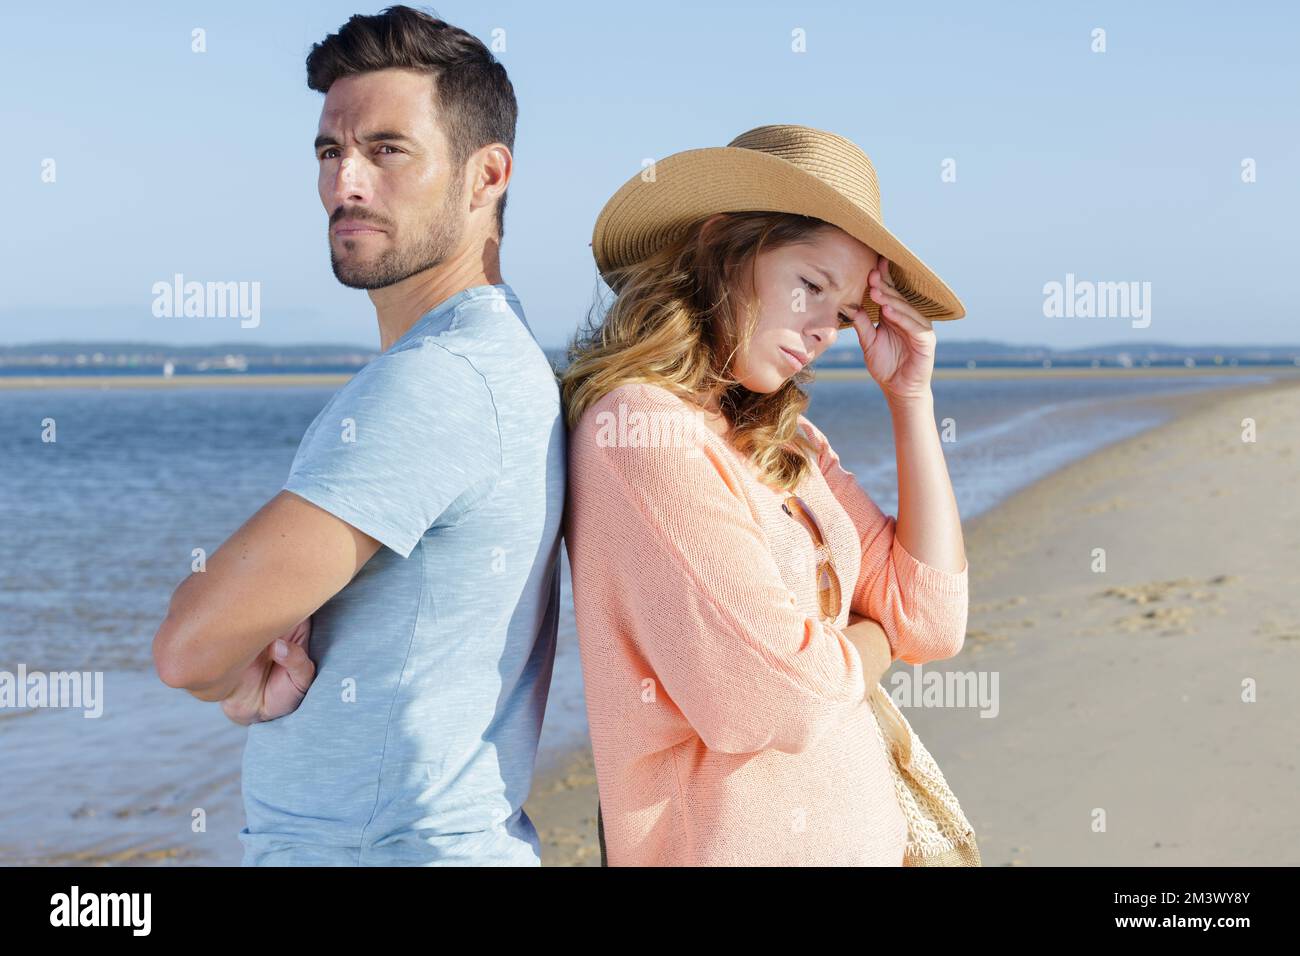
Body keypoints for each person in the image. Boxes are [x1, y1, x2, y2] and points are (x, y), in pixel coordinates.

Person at [152, 7, 566, 866]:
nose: (347, 183)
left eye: (387, 150)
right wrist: (241, 661)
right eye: (329, 151)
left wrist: (230, 669)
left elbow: (190, 646)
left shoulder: (441, 380)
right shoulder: (494, 356)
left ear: (488, 174)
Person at [561, 125, 970, 866]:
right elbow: (776, 697)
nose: (823, 332)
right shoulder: (638, 429)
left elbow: (933, 618)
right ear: (725, 245)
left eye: (845, 313)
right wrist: (874, 640)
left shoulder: (785, 442)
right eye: (810, 286)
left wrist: (911, 400)